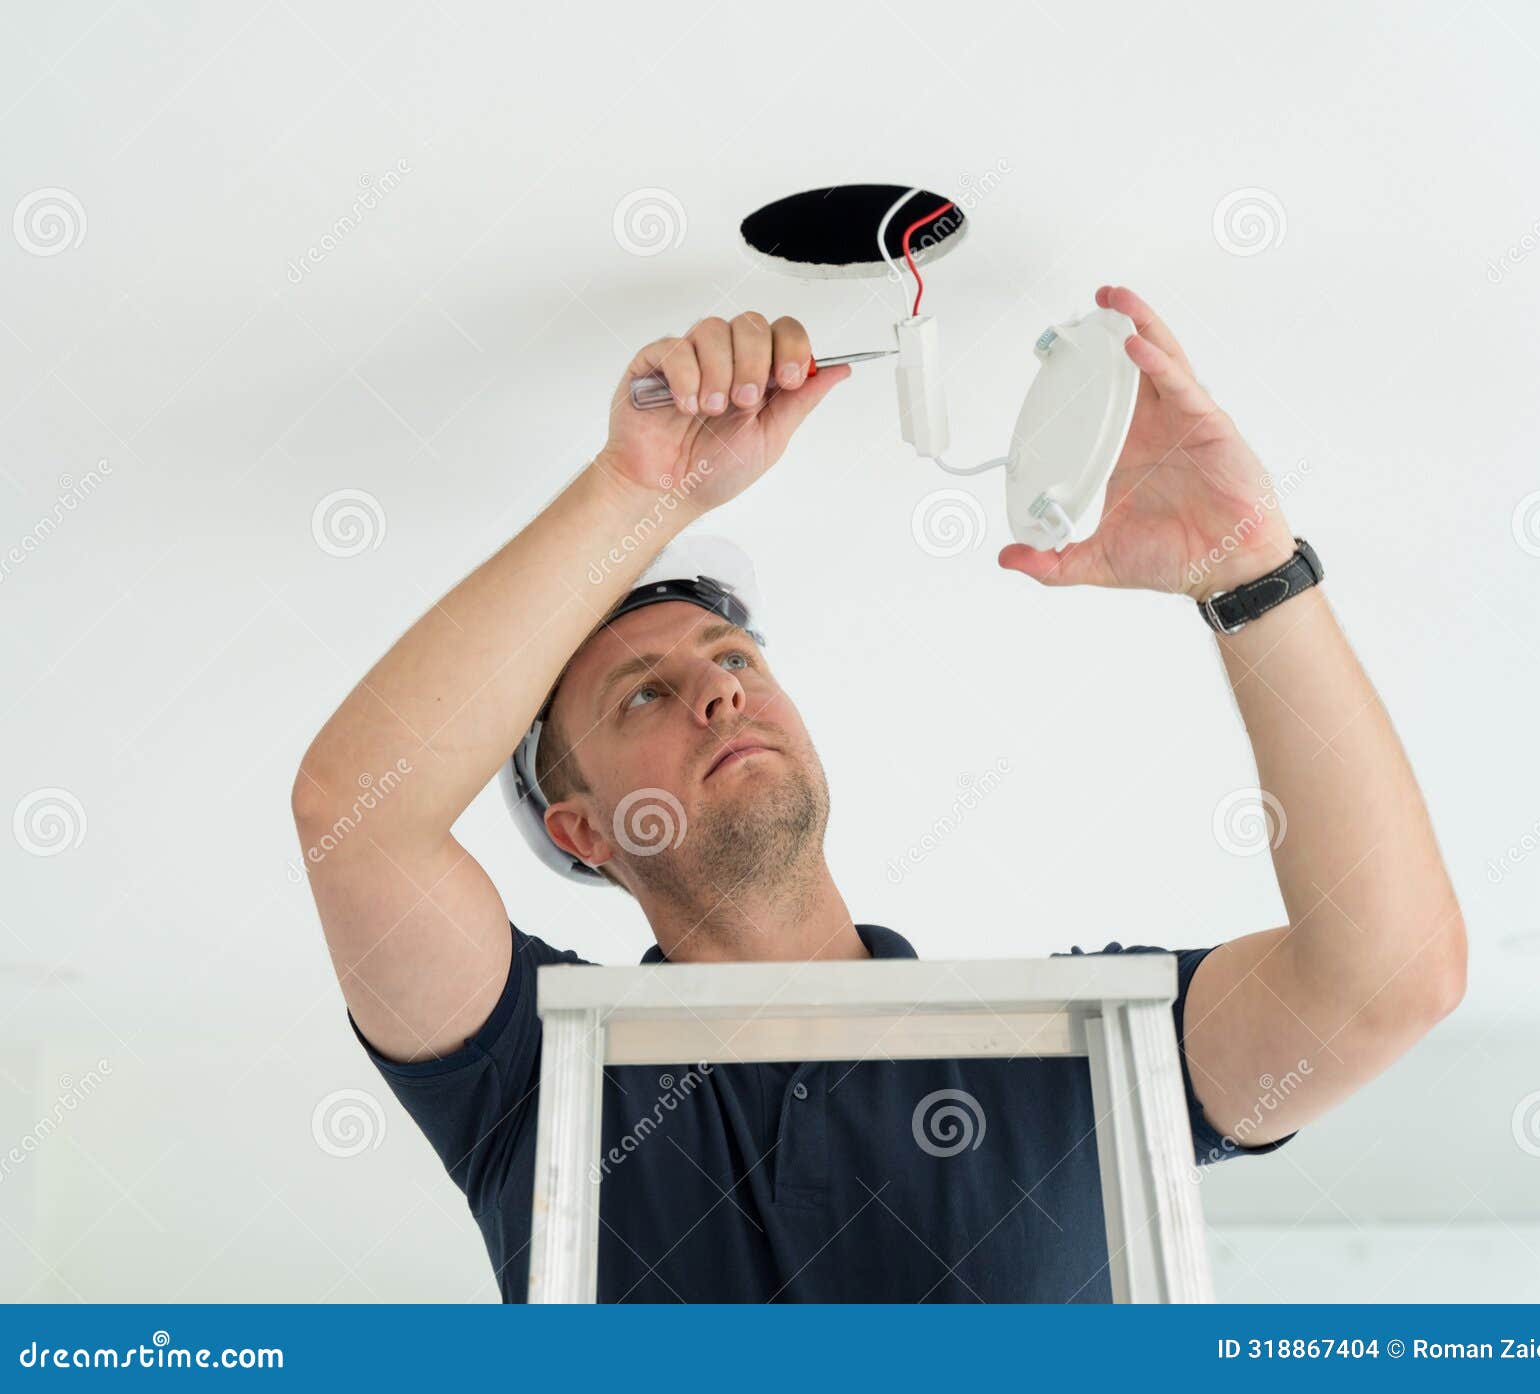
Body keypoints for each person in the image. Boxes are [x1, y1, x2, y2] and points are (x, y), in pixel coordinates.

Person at [291, 289, 1467, 1302]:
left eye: (735, 658)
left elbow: (1382, 979)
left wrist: (1253, 571)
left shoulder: (1061, 1050)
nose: (717, 690)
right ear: (582, 828)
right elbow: (357, 819)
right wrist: (639, 494)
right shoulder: (543, 1085)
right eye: (644, 696)